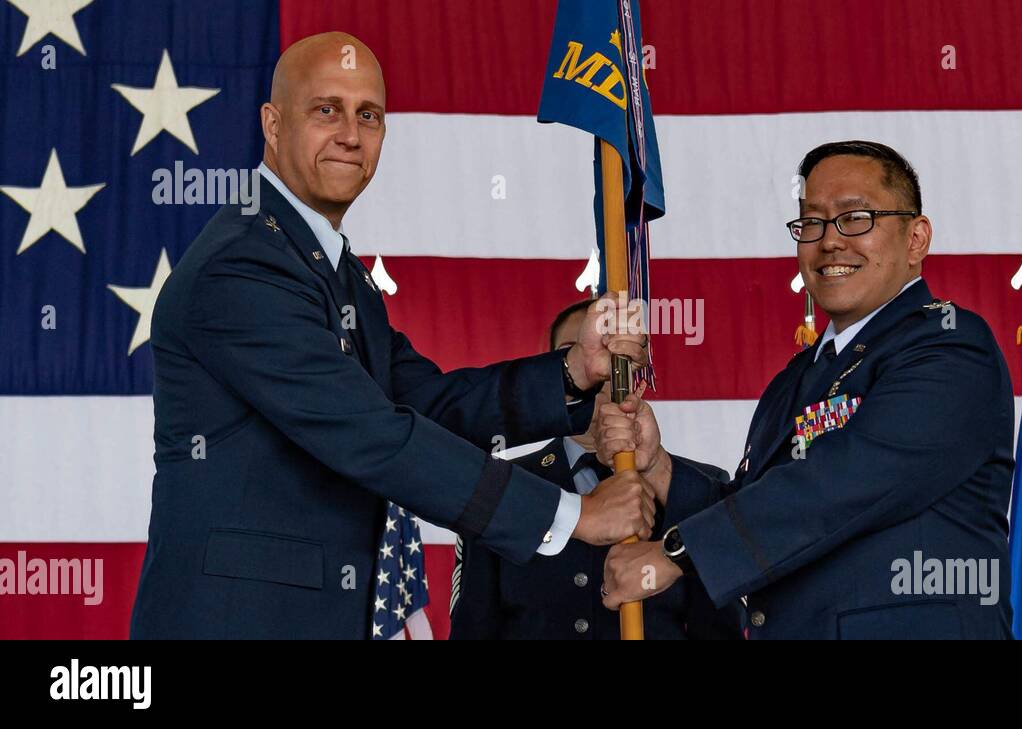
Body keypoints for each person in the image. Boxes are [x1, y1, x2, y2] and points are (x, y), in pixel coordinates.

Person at [131, 33, 651, 639]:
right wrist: (571, 515)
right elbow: (373, 436)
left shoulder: (330, 268)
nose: (351, 133)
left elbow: (425, 408)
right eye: (326, 109)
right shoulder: (243, 265)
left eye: (368, 114)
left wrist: (571, 371)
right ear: (272, 124)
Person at [596, 141, 1015, 639]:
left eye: (856, 217)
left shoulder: (951, 348)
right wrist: (658, 466)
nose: (830, 241)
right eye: (811, 222)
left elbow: (844, 485)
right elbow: (760, 502)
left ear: (916, 238)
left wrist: (674, 553)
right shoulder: (798, 376)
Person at [450, 300, 744, 639]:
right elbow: (473, 627)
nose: (597, 370)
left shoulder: (695, 489)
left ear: (637, 378)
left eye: (612, 354)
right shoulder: (501, 488)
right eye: (572, 356)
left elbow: (721, 628)